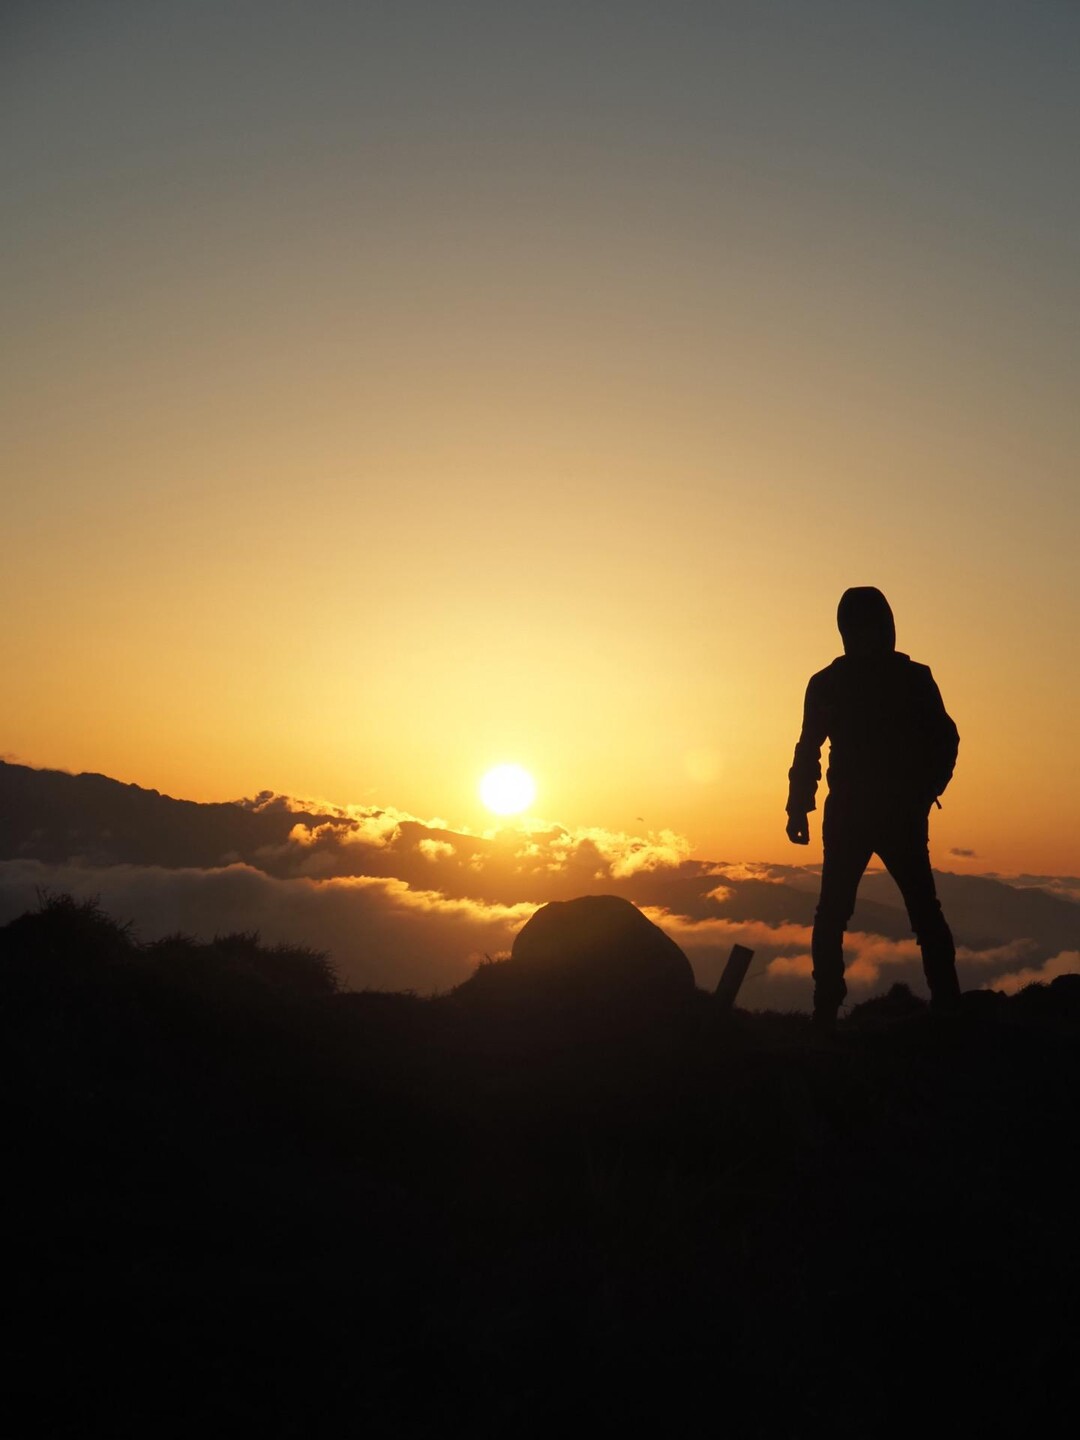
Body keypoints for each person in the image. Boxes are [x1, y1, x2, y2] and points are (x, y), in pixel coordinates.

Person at [786, 587, 962, 1029]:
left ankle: (826, 1011)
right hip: (892, 812)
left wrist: (798, 808)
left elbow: (809, 748)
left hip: (854, 812)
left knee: (835, 913)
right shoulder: (912, 678)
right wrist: (924, 791)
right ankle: (948, 1006)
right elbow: (946, 740)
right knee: (922, 913)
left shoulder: (828, 683)